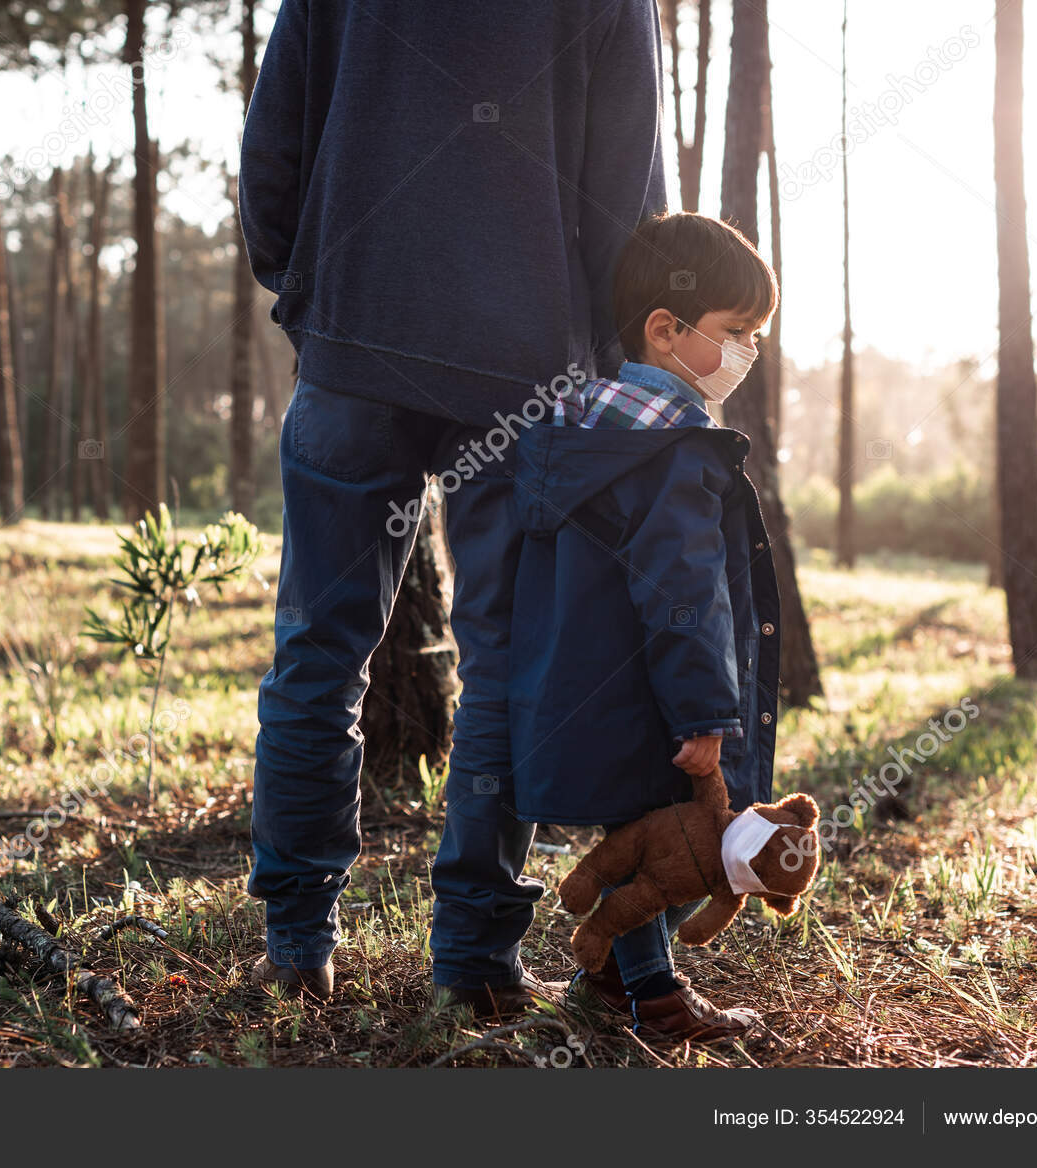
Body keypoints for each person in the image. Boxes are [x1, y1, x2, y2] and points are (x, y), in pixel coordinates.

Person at [237, 0, 667, 1015]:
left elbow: (273, 148)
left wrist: (310, 296)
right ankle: (473, 958)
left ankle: (297, 945)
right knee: (508, 660)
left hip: (353, 343)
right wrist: (598, 365)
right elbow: (626, 198)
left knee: (315, 651)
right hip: (523, 370)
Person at [506, 211, 783, 1042]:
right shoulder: (676, 451)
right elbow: (685, 591)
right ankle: (655, 997)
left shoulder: (582, 437)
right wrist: (704, 714)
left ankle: (616, 986)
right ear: (667, 330)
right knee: (674, 850)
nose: (749, 353)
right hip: (660, 703)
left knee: (637, 844)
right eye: (738, 333)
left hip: (592, 689)